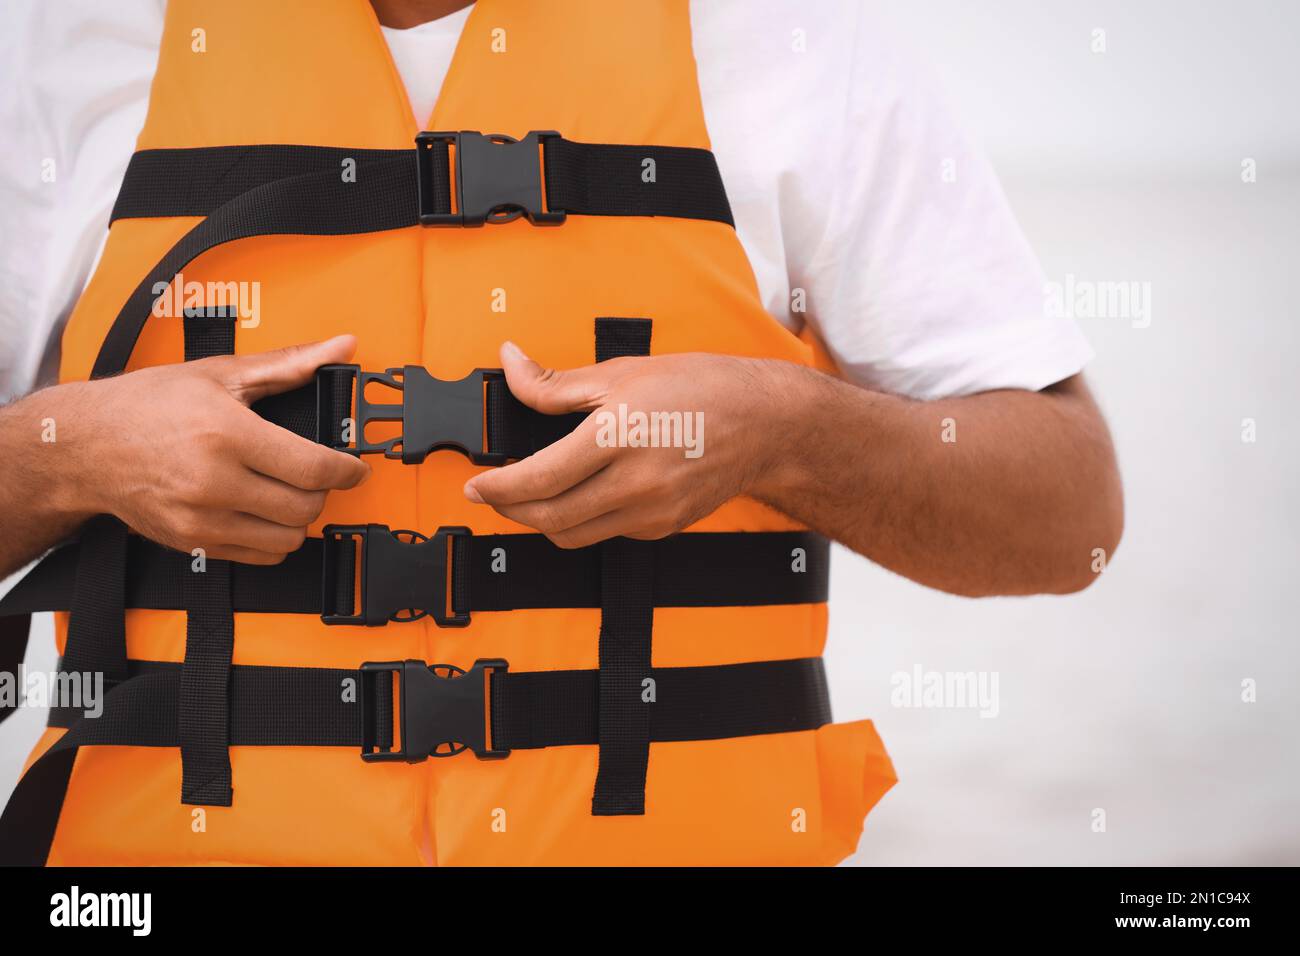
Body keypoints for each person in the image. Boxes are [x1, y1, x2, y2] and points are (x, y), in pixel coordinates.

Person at [0, 0, 1121, 866]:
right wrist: (69, 453)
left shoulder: (792, 40)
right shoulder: (61, 48)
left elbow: (1067, 515)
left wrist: (781, 430)